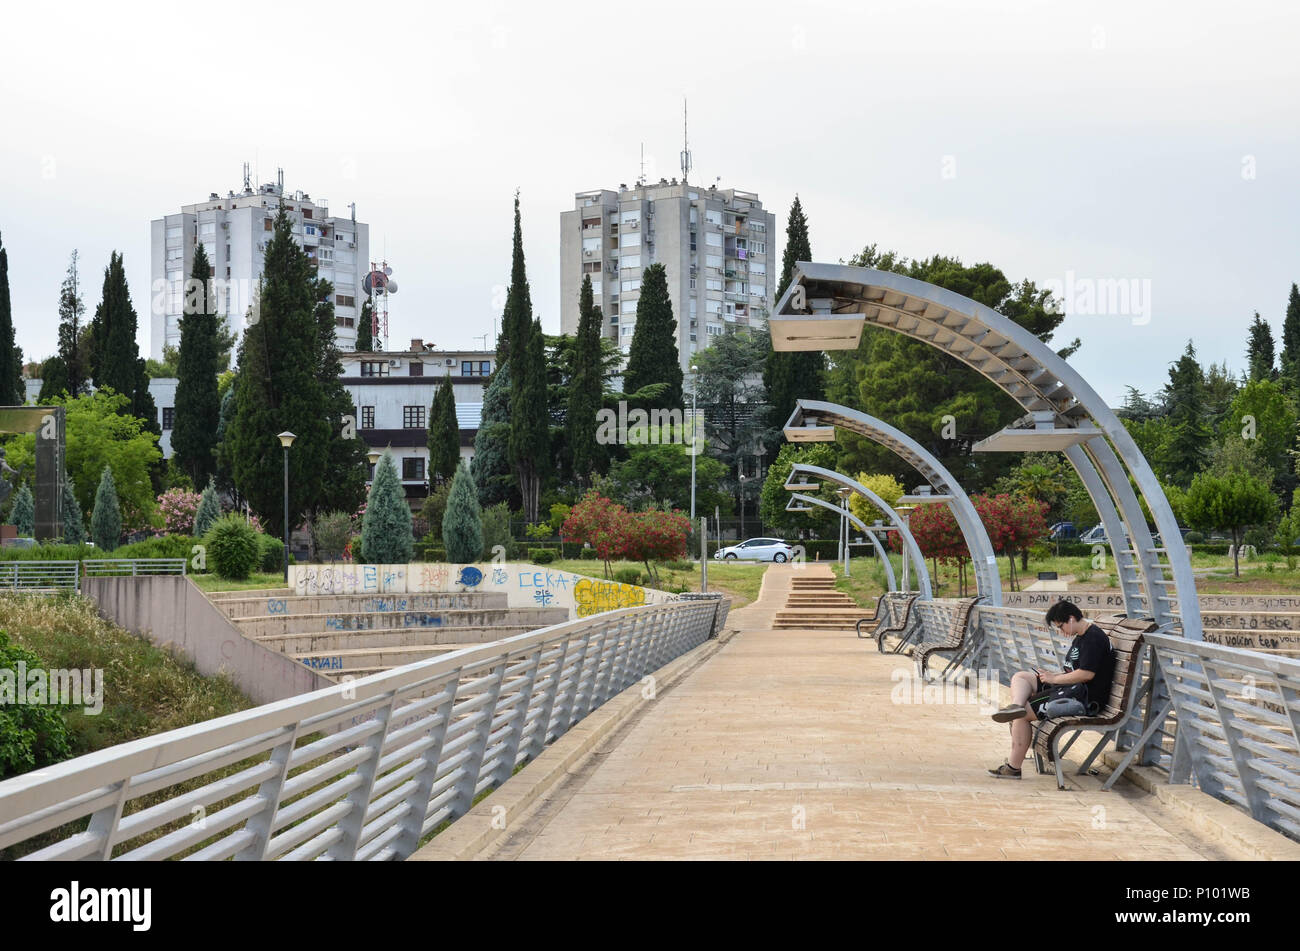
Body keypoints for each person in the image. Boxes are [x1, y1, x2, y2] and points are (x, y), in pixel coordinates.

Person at [986, 600, 1115, 779]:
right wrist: (1051, 675)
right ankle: (1014, 705)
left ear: (1071, 619)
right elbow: (1074, 671)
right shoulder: (1081, 636)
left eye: (1061, 626)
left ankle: (1013, 768)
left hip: (1081, 697)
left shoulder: (1093, 638)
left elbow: (1086, 674)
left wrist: (1054, 678)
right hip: (1071, 688)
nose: (1061, 631)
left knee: (1022, 715)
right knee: (1022, 677)